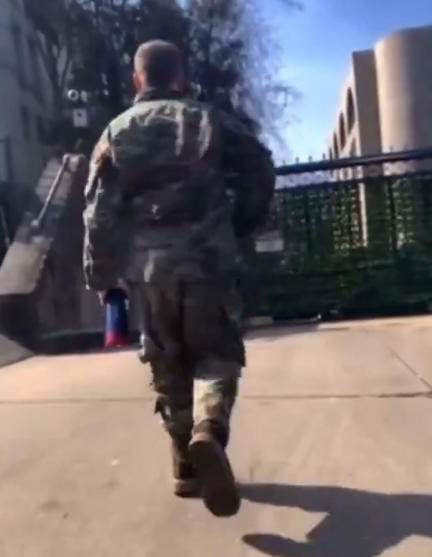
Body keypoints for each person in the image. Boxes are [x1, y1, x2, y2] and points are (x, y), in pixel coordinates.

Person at [82, 39, 275, 517]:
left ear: (137, 79)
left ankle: (186, 469)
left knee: (168, 366)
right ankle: (209, 428)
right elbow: (259, 166)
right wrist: (242, 224)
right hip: (208, 261)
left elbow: (98, 214)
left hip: (149, 272)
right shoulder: (207, 120)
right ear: (181, 76)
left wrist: (102, 276)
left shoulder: (115, 133)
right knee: (216, 354)